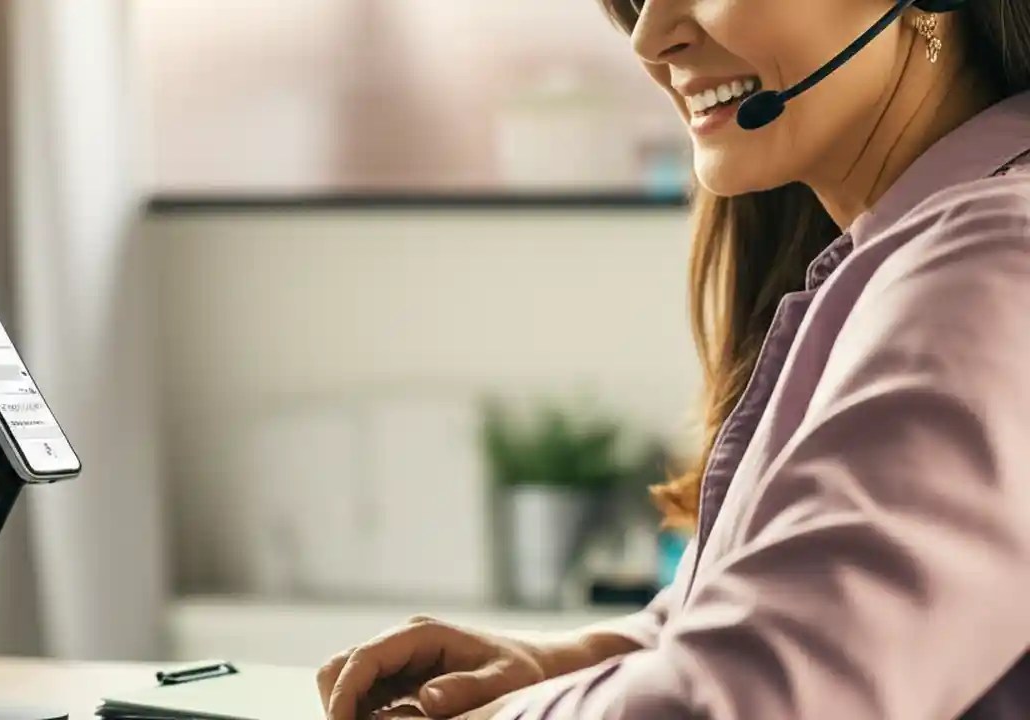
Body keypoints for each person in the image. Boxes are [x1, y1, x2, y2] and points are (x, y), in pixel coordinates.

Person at [316, 0, 1030, 717]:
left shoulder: (993, 266)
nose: (649, 37)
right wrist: (572, 661)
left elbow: (753, 696)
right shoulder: (906, 255)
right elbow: (789, 614)